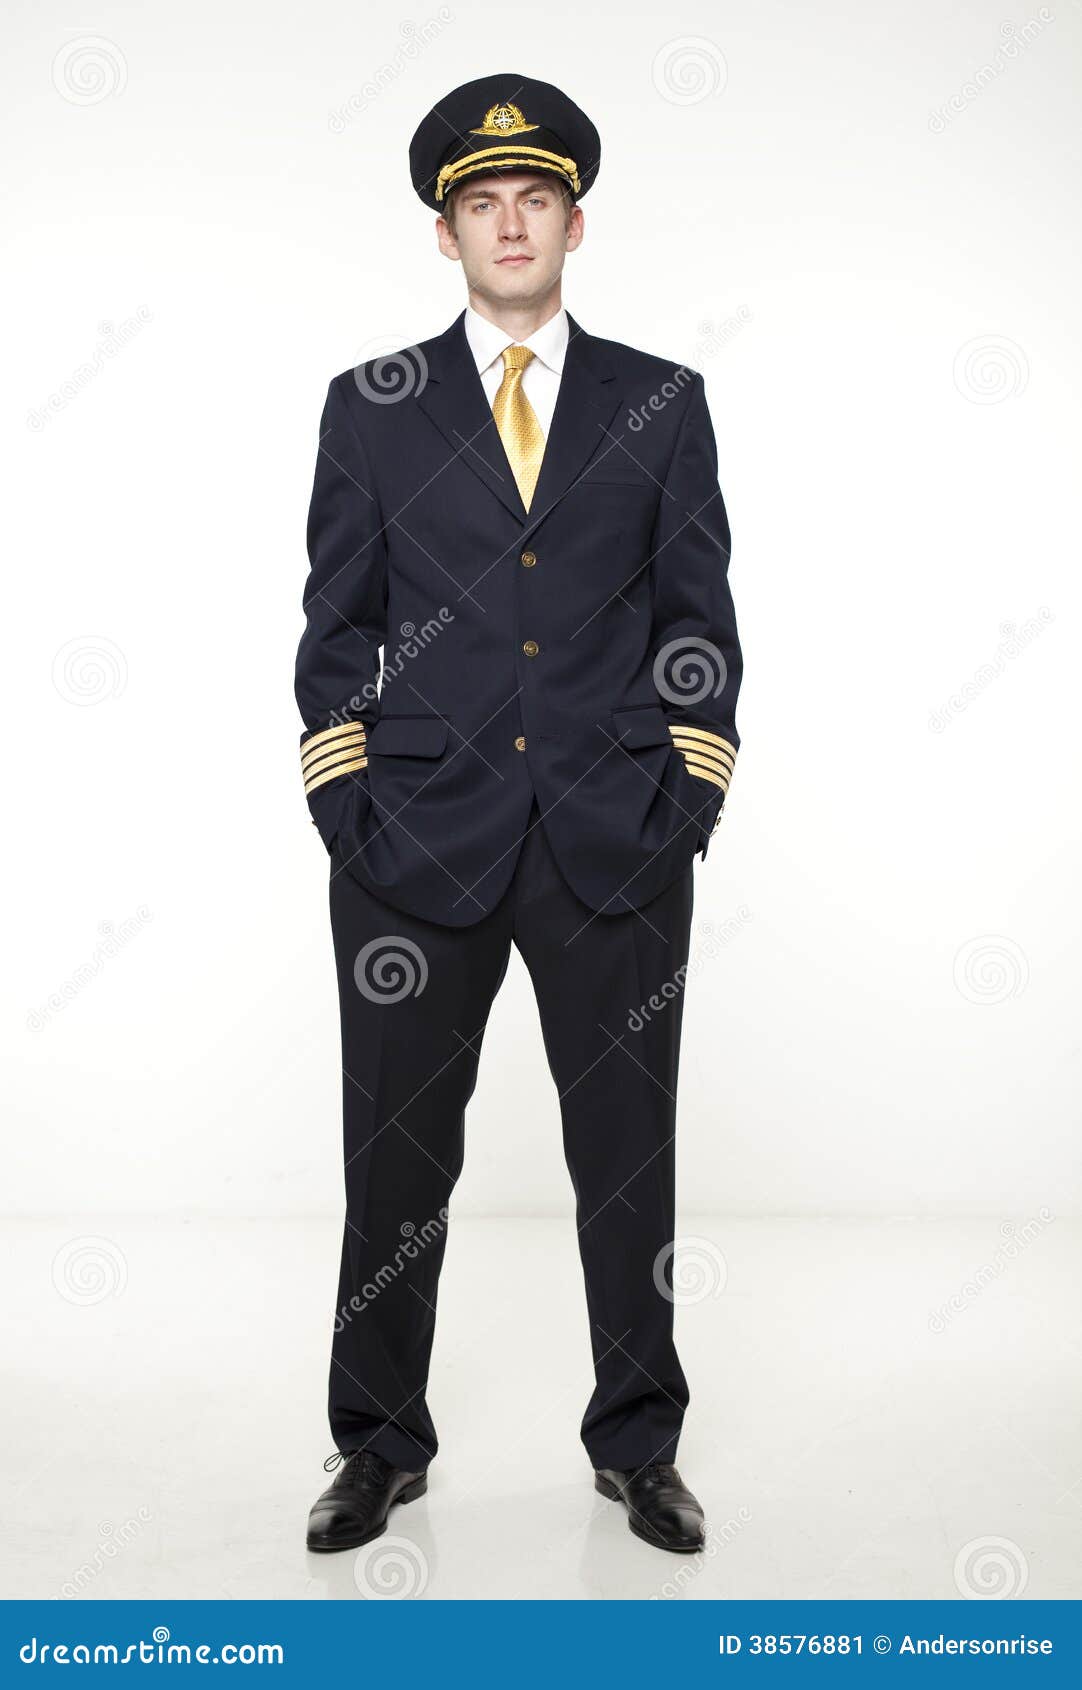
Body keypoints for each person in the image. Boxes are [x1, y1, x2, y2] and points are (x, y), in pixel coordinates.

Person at [296, 73, 742, 1557]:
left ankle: (640, 1444)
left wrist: (682, 801)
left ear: (571, 222)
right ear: (446, 234)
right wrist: (350, 811)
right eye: (480, 204)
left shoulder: (660, 404)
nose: (507, 222)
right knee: (395, 1158)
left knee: (628, 1156)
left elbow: (700, 625)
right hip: (413, 849)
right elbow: (333, 628)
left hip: (615, 841)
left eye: (532, 199)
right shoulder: (371, 408)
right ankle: (376, 1445)